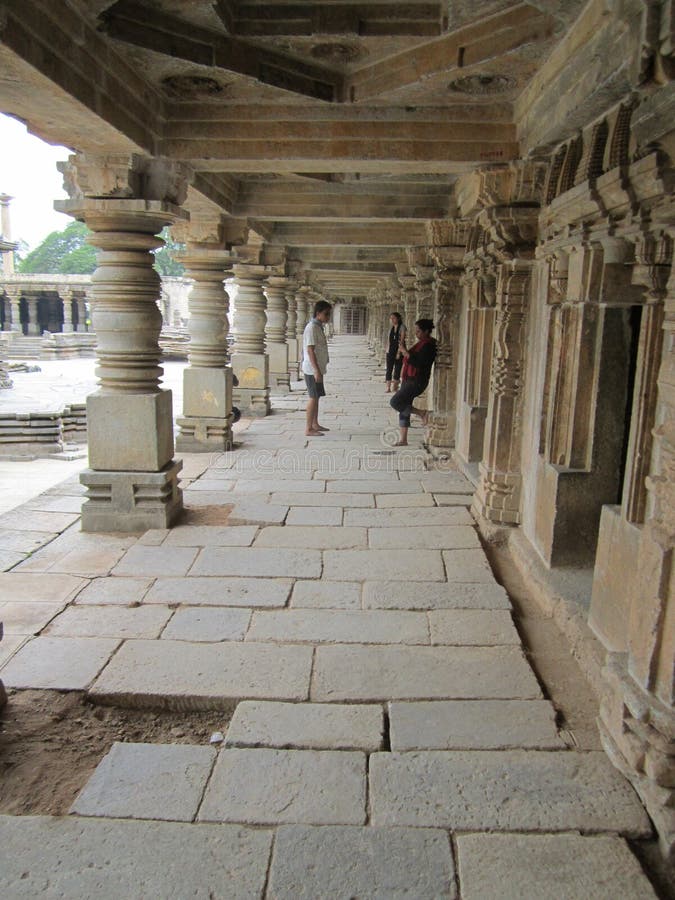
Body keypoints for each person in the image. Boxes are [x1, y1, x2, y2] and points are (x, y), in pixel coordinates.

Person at [389, 318, 437, 446]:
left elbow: (420, 364)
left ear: (427, 331)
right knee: (404, 407)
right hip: (409, 379)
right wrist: (405, 350)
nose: (416, 333)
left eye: (419, 331)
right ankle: (403, 439)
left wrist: (405, 353)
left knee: (395, 402)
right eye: (415, 331)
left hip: (417, 381)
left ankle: (422, 413)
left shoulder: (429, 345)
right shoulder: (421, 344)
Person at [302, 299, 332, 436]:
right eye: (326, 314)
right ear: (318, 313)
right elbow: (310, 350)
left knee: (317, 396)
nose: (328, 317)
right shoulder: (312, 328)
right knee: (313, 397)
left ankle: (315, 423)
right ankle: (308, 428)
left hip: (317, 368)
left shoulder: (318, 326)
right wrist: (316, 371)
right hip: (312, 369)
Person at [385, 311, 406, 393]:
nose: (392, 320)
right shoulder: (391, 328)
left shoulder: (402, 327)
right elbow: (389, 340)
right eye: (391, 318)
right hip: (390, 350)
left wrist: (399, 352)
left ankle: (395, 386)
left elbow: (402, 340)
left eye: (394, 318)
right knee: (389, 368)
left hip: (399, 350)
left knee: (397, 368)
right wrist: (387, 350)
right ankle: (388, 387)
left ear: (398, 318)